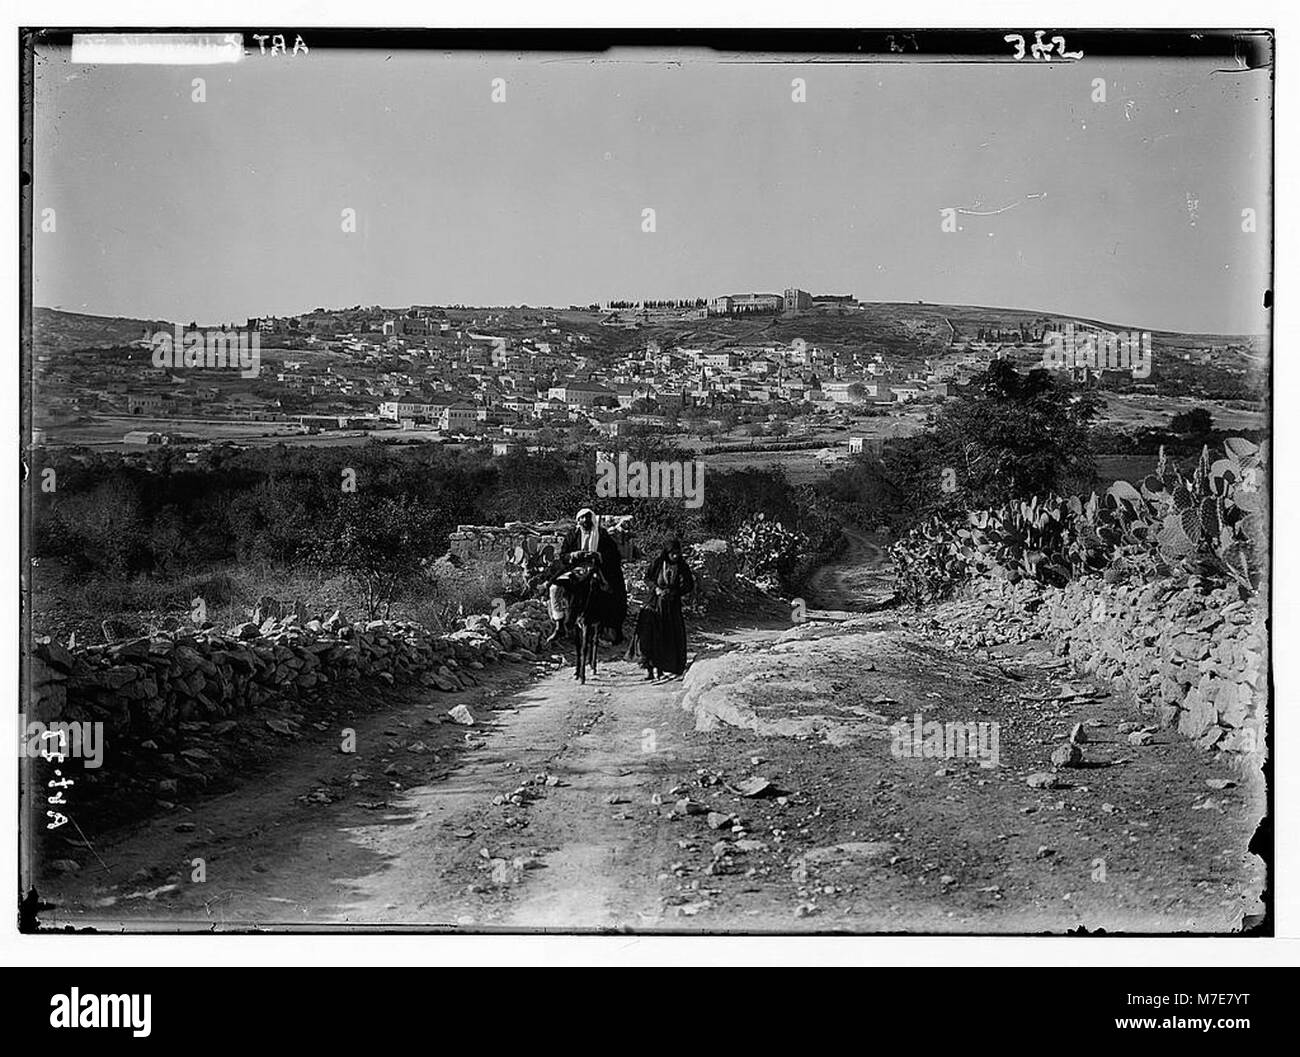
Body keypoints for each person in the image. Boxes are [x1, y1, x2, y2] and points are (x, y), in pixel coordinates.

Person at [548, 507, 627, 645]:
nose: (585, 520)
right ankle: (560, 625)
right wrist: (574, 555)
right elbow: (563, 556)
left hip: (596, 568)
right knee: (554, 588)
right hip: (575, 569)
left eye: (587, 517)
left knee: (602, 590)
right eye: (582, 518)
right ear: (578, 520)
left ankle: (600, 629)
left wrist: (598, 555)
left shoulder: (601, 534)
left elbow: (614, 555)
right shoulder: (573, 535)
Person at [642, 538, 694, 678]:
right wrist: (656, 589)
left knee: (670, 635)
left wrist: (675, 592)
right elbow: (647, 578)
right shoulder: (658, 563)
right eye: (672, 553)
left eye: (677, 553)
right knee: (651, 635)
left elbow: (689, 584)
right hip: (656, 603)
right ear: (667, 553)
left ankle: (665, 667)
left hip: (672, 607)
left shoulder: (682, 566)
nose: (675, 556)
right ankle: (650, 669)